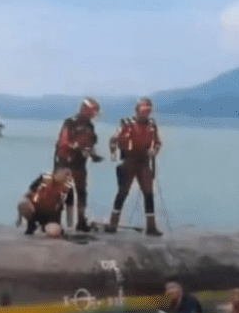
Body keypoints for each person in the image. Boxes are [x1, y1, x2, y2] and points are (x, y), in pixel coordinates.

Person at [104, 97, 163, 236]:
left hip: (144, 162)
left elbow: (157, 143)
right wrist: (113, 154)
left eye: (148, 110)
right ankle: (113, 224)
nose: (145, 113)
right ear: (137, 110)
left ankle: (151, 227)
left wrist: (154, 151)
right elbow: (113, 139)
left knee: (149, 195)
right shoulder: (127, 124)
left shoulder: (152, 126)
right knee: (123, 192)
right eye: (143, 110)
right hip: (129, 162)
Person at [53, 97, 104, 232]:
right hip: (65, 163)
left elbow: (90, 144)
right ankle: (55, 221)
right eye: (92, 112)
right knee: (61, 194)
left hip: (80, 164)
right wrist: (78, 148)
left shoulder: (89, 126)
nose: (93, 115)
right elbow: (64, 143)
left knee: (81, 193)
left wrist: (93, 155)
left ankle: (81, 221)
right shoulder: (70, 123)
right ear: (86, 110)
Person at [16, 167, 76, 236]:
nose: (66, 176)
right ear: (57, 172)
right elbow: (27, 193)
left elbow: (70, 208)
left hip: (51, 217)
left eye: (68, 175)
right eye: (65, 174)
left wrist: (70, 227)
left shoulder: (68, 188)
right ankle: (31, 224)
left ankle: (46, 227)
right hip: (35, 210)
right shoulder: (44, 178)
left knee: (54, 231)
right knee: (23, 203)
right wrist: (19, 217)